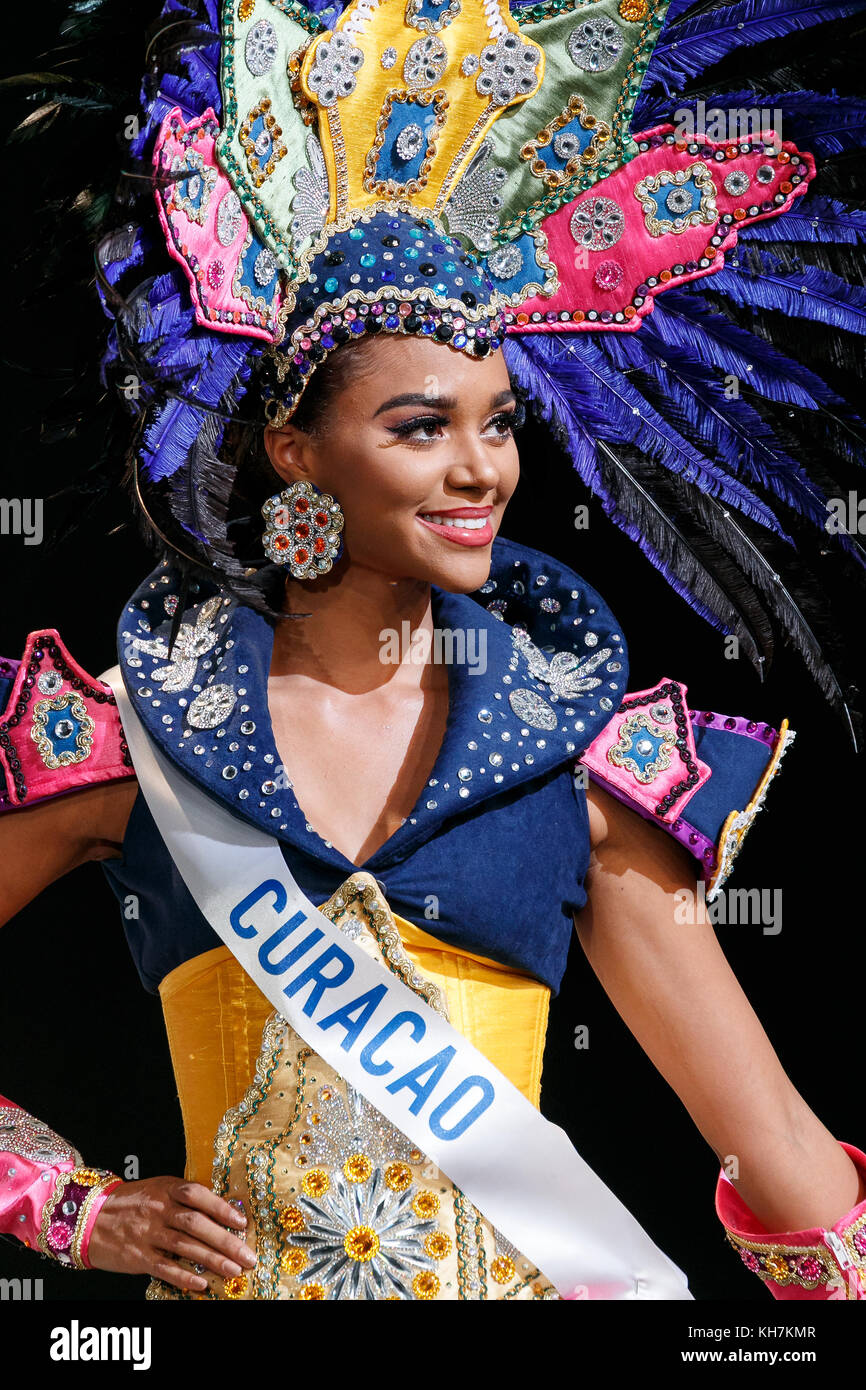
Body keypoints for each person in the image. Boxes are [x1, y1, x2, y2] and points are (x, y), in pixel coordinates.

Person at [1, 0, 864, 1301]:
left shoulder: (583, 772)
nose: (480, 469)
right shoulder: (137, 734)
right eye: (419, 428)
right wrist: (72, 1207)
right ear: (296, 452)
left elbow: (783, 1156)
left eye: (499, 423)